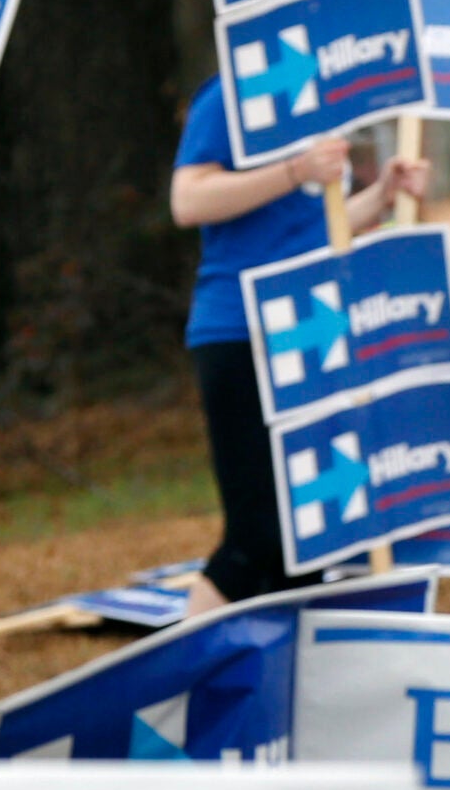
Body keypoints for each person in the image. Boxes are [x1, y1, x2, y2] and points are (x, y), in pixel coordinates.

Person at [169, 84, 431, 612]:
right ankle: (184, 682)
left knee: (308, 539)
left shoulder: (321, 109)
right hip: (241, 331)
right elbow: (187, 200)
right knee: (256, 539)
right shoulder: (231, 95)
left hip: (310, 330)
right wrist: (294, 170)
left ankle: (282, 686)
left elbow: (308, 233)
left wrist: (381, 196)